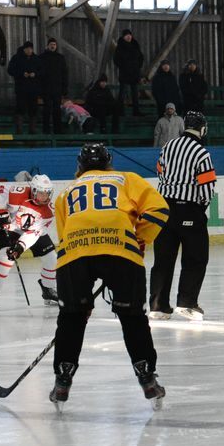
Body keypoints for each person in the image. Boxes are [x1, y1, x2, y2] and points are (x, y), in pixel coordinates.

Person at [50, 143, 169, 408]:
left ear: (79, 166)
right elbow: (159, 210)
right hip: (120, 251)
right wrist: (138, 239)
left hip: (74, 255)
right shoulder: (127, 179)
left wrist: (79, 301)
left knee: (71, 317)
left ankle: (62, 380)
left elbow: (64, 236)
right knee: (132, 317)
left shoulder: (66, 192)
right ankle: (147, 377)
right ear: (109, 164)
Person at [149, 111, 215, 321]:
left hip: (165, 208)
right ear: (202, 128)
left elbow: (159, 170)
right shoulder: (201, 152)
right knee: (196, 258)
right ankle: (187, 302)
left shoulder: (168, 146)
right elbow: (207, 186)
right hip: (189, 209)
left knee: (163, 259)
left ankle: (158, 305)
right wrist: (199, 208)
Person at [0, 174, 59, 309]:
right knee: (6, 255)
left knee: (52, 259)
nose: (45, 197)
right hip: (10, 227)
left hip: (32, 232)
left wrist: (20, 247)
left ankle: (48, 289)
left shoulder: (48, 211)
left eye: (47, 193)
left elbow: (33, 234)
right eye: (41, 193)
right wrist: (0, 211)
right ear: (34, 190)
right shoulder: (16, 193)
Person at [7, 41, 41, 134]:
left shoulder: (36, 59)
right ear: (24, 49)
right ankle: (19, 130)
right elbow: (10, 70)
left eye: (31, 49)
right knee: (20, 108)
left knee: (33, 109)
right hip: (21, 89)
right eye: (28, 49)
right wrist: (22, 74)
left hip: (33, 89)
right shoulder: (17, 58)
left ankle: (32, 130)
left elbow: (42, 71)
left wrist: (35, 74)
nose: (29, 50)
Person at [39, 38, 68, 134]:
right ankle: (46, 130)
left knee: (57, 110)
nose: (52, 46)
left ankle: (57, 130)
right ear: (47, 45)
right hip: (45, 88)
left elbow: (64, 74)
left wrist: (64, 88)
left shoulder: (60, 58)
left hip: (57, 88)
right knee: (46, 109)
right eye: (51, 44)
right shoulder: (42, 58)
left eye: (54, 44)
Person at [113, 29, 145, 115]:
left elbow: (141, 57)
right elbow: (116, 59)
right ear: (123, 37)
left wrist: (138, 66)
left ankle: (136, 111)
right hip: (125, 73)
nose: (128, 36)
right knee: (122, 93)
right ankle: (120, 111)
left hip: (134, 73)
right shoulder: (120, 46)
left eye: (130, 35)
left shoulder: (135, 45)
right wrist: (124, 66)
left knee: (135, 93)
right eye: (126, 35)